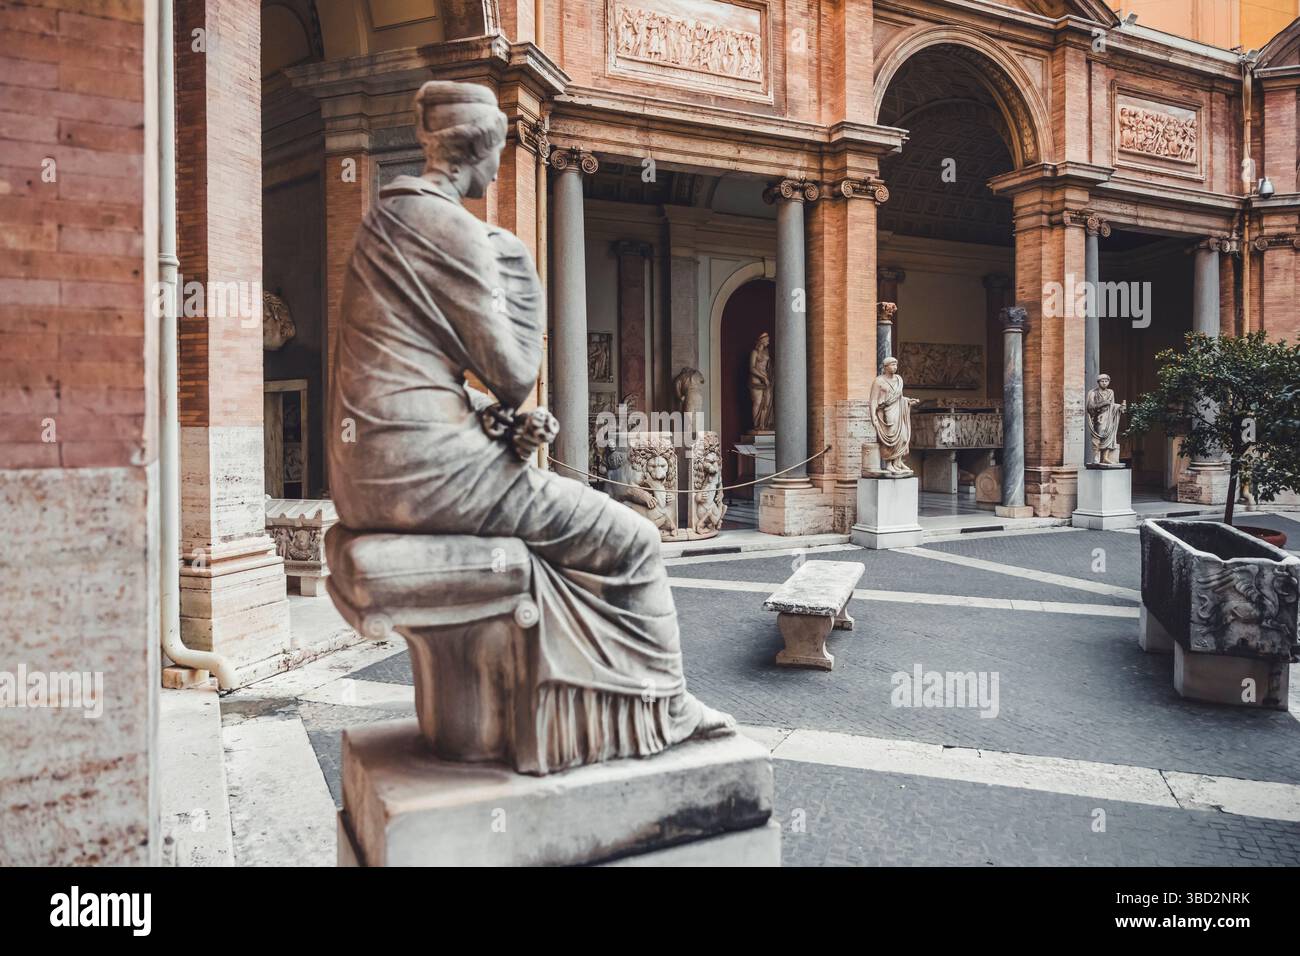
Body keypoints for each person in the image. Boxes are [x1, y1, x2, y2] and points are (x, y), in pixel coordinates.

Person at [327, 81, 732, 770]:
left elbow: (416, 370)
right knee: (633, 538)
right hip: (429, 474)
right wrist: (520, 274)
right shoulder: (454, 229)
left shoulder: (382, 219)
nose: (499, 168)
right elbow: (514, 371)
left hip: (370, 472)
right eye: (499, 150)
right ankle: (661, 705)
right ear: (482, 149)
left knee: (578, 532)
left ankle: (557, 708)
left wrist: (488, 421)